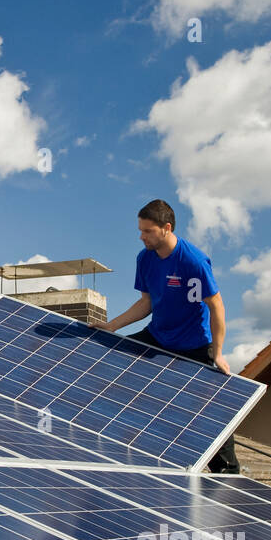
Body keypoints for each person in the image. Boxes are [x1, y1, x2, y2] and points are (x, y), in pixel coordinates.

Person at [93, 199, 241, 474]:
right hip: (158, 336)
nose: (141, 236)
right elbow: (146, 303)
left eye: (147, 231)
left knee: (208, 409)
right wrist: (113, 326)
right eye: (140, 230)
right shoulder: (145, 258)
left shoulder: (192, 262)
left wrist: (218, 352)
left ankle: (228, 472)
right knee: (110, 356)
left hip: (194, 344)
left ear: (166, 228)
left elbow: (216, 305)